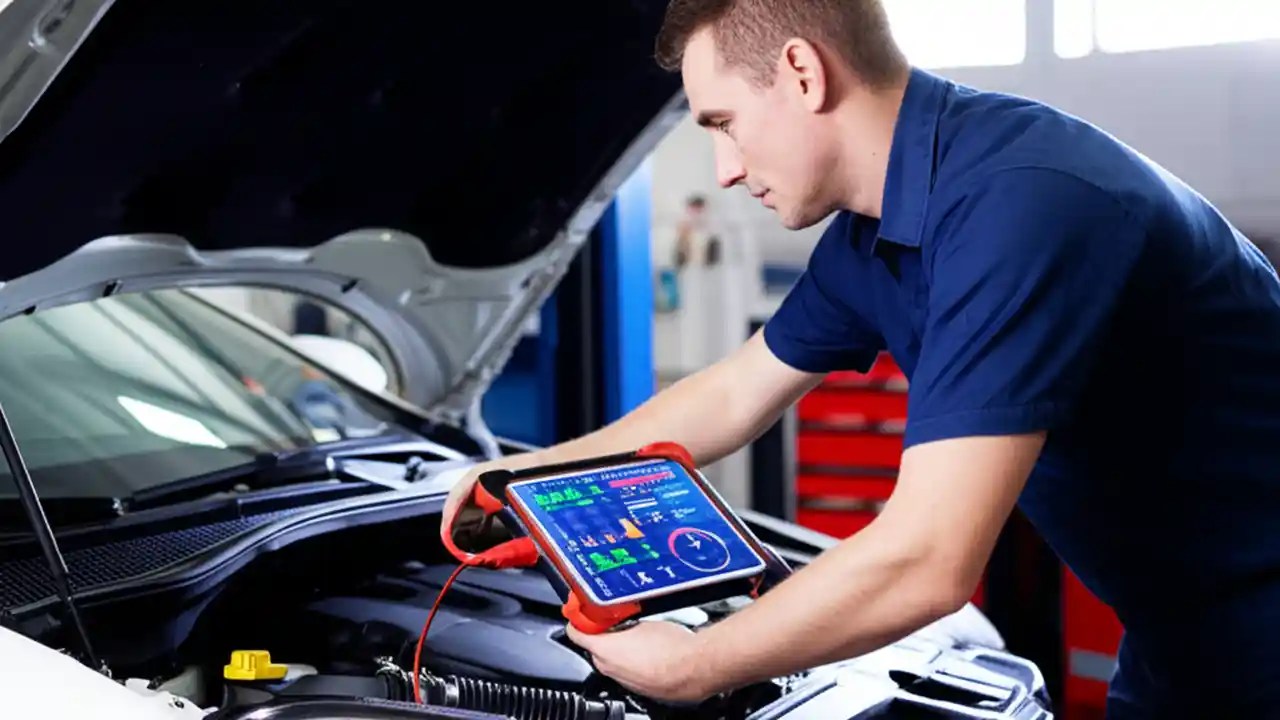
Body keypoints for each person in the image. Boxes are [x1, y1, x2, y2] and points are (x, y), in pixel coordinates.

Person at [443, 1, 1280, 716]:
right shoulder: (874, 231)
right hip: (1182, 644)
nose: (724, 171)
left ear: (802, 74)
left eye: (723, 124)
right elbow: (733, 395)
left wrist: (696, 664)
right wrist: (523, 477)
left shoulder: (1024, 200)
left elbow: (927, 562)